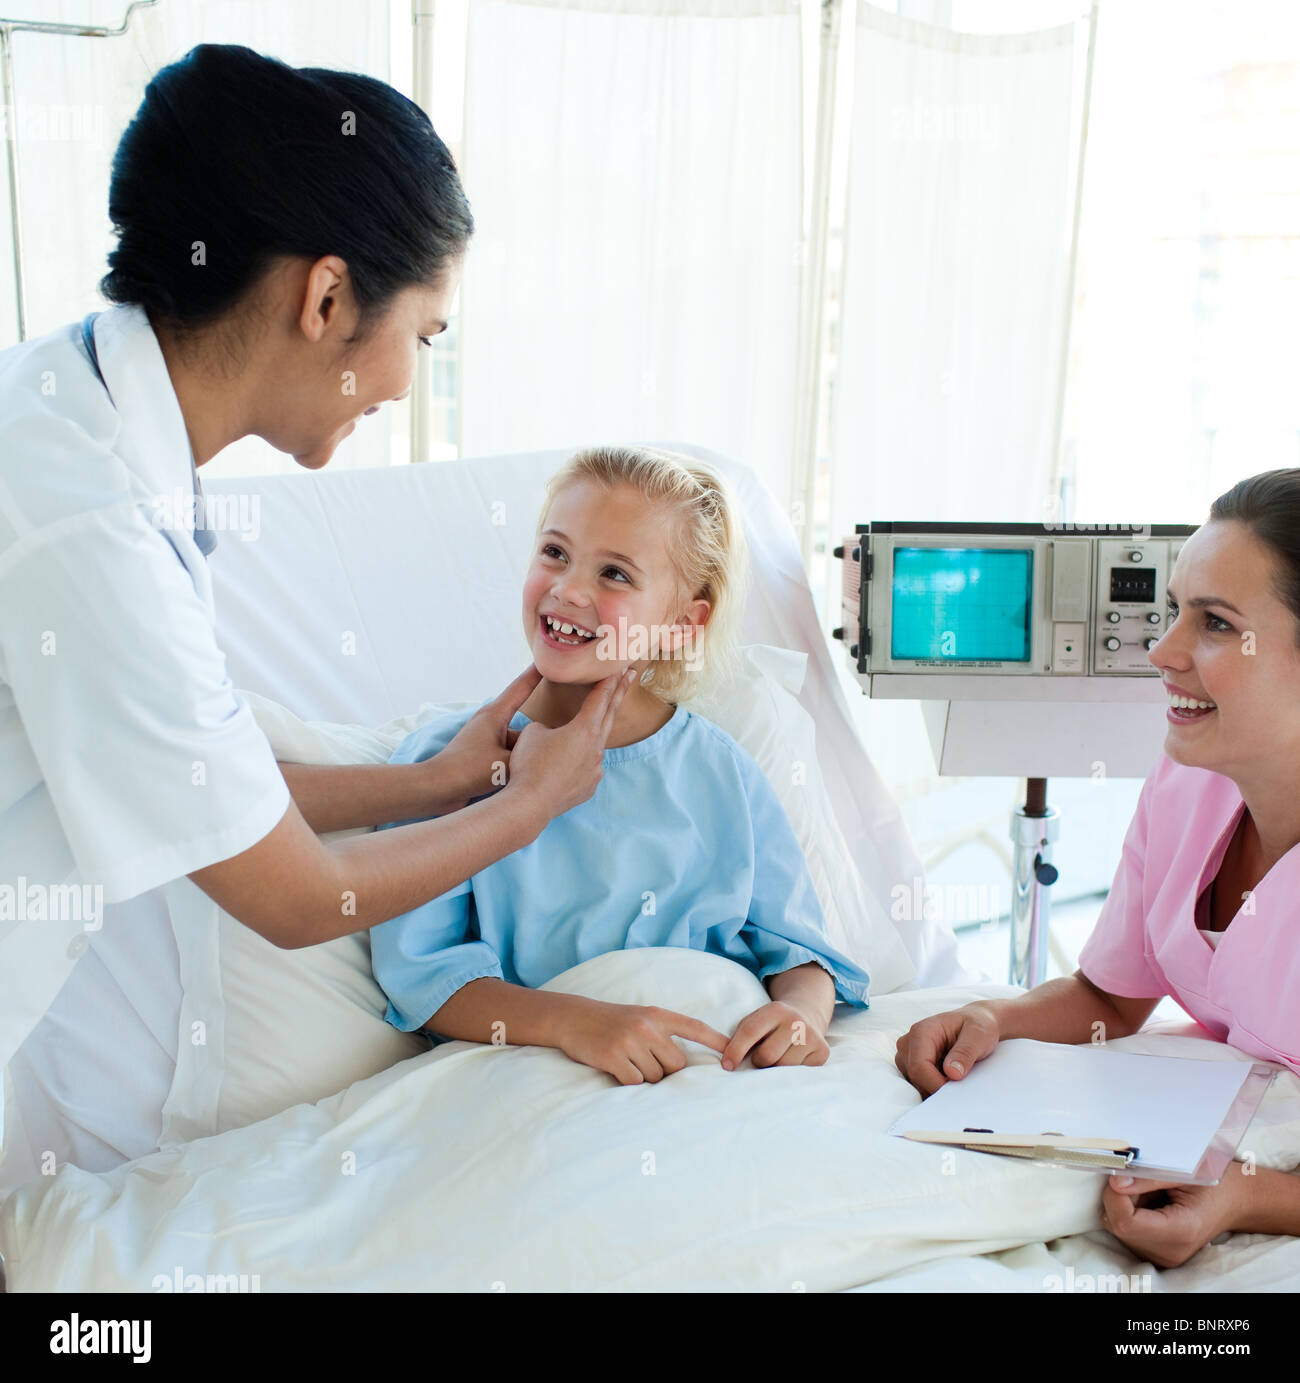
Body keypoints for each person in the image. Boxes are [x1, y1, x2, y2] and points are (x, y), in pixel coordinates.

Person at [0, 44, 631, 1193]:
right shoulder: (91, 527)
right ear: (327, 296)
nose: (411, 385)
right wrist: (530, 805)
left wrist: (444, 782)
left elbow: (210, 778)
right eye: (426, 337)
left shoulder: (77, 417)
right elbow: (291, 896)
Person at [894, 469, 1300, 1266]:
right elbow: (1112, 994)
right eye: (1175, 611)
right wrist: (995, 1019)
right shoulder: (1187, 784)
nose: (1164, 651)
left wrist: (1246, 1193)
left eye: (1215, 624)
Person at [370, 445, 871, 1084]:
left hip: (711, 1075)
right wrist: (573, 1021)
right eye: (555, 552)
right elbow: (424, 977)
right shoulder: (450, 767)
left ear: (683, 623)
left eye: (615, 574)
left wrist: (800, 1012)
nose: (569, 589)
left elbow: (797, 950)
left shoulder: (723, 775)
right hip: (540, 1082)